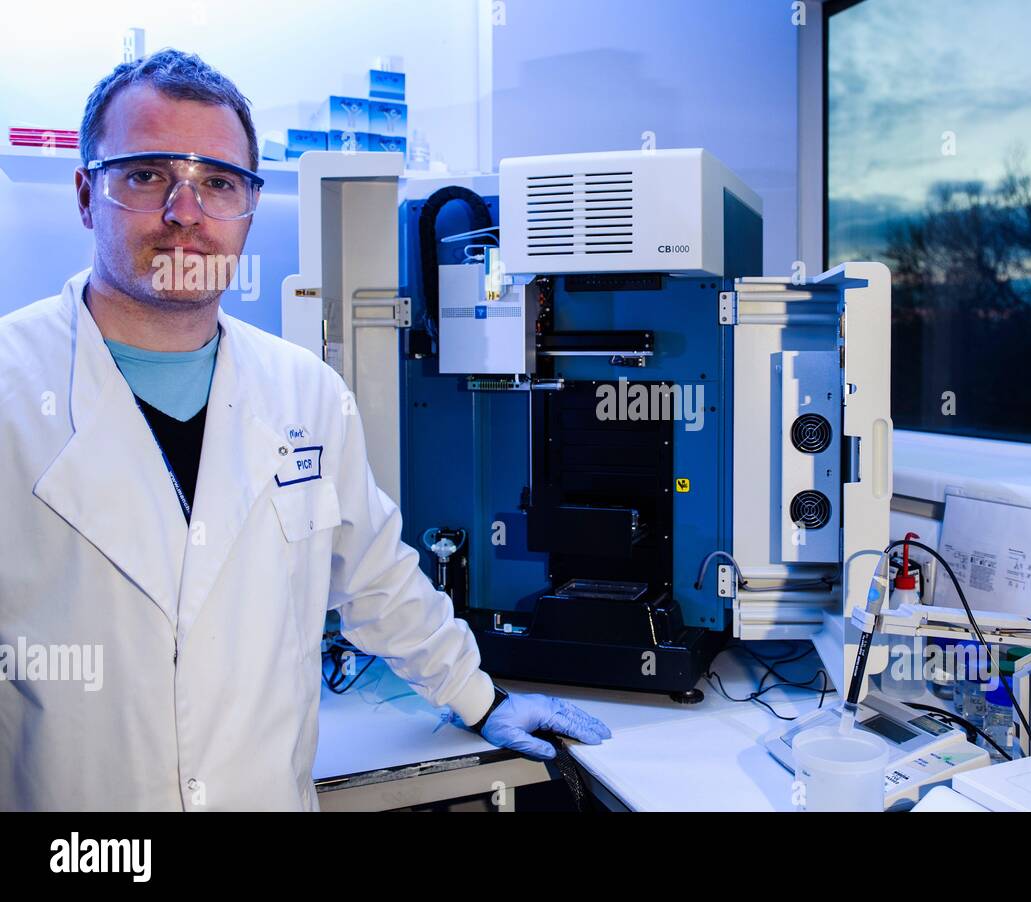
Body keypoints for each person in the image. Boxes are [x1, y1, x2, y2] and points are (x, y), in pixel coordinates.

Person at [0, 49, 609, 811]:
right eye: (149, 173)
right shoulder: (11, 388)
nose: (185, 212)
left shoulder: (306, 394)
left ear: (249, 208)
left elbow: (377, 580)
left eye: (218, 183)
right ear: (88, 194)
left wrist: (481, 699)